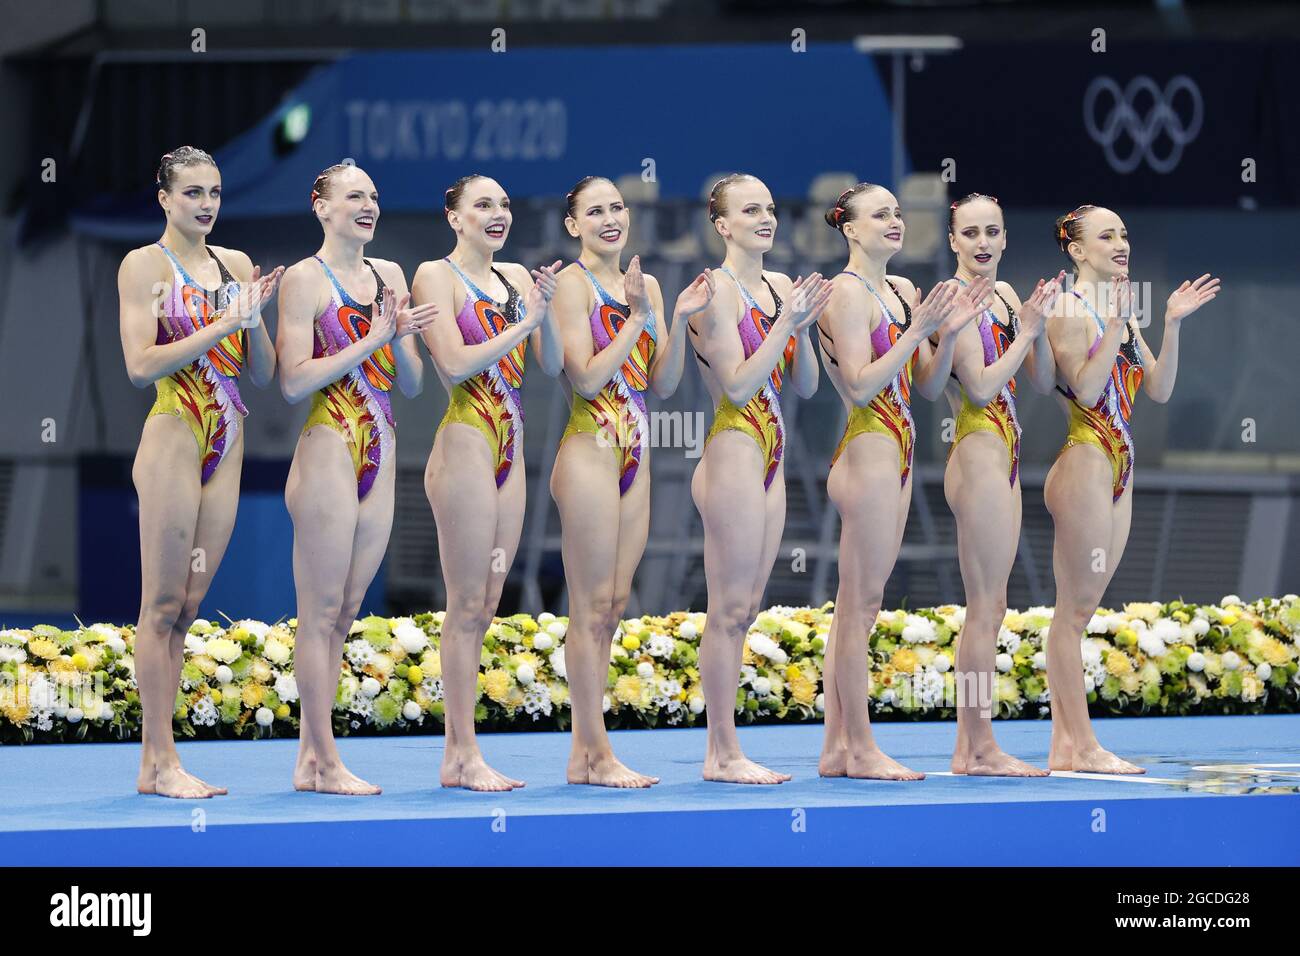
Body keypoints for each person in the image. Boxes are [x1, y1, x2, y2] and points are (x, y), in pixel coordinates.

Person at [119, 145, 282, 797]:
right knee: (157, 605)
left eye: (214, 192)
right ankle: (160, 763)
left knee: (186, 609)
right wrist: (222, 322)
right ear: (164, 199)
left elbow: (262, 372)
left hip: (229, 439)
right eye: (193, 193)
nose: (207, 204)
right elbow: (140, 365)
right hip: (173, 436)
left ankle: (159, 763)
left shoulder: (235, 265)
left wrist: (254, 318)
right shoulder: (143, 266)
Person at [1042, 204, 1218, 773]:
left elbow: (1159, 390)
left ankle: (1066, 747)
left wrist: (1169, 322)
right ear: (1076, 249)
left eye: (1125, 234)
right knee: (1071, 613)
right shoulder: (1069, 308)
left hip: (1122, 467)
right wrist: (1116, 323)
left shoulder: (1123, 311)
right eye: (1107, 235)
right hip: (1085, 461)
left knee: (1083, 609)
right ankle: (1082, 746)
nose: (1122, 244)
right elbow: (1089, 392)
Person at [411, 174, 563, 791]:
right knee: (464, 603)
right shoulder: (435, 275)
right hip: (466, 441)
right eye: (482, 205)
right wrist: (524, 325)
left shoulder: (519, 280)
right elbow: (453, 362)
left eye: (503, 204)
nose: (497, 214)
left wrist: (544, 315)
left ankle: (462, 752)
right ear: (454, 216)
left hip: (511, 446)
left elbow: (551, 365)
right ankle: (460, 753)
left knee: (489, 604)